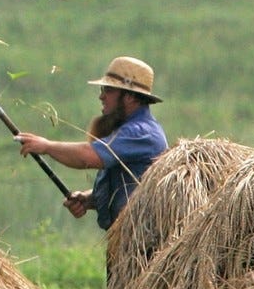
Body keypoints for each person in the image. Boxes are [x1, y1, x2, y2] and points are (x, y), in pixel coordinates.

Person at [16, 56, 168, 230]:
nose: (101, 96)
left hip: (143, 243)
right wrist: (90, 199)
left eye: (108, 90)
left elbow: (88, 157)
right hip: (127, 241)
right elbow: (127, 188)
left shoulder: (141, 132)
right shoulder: (128, 131)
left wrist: (47, 146)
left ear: (130, 97)